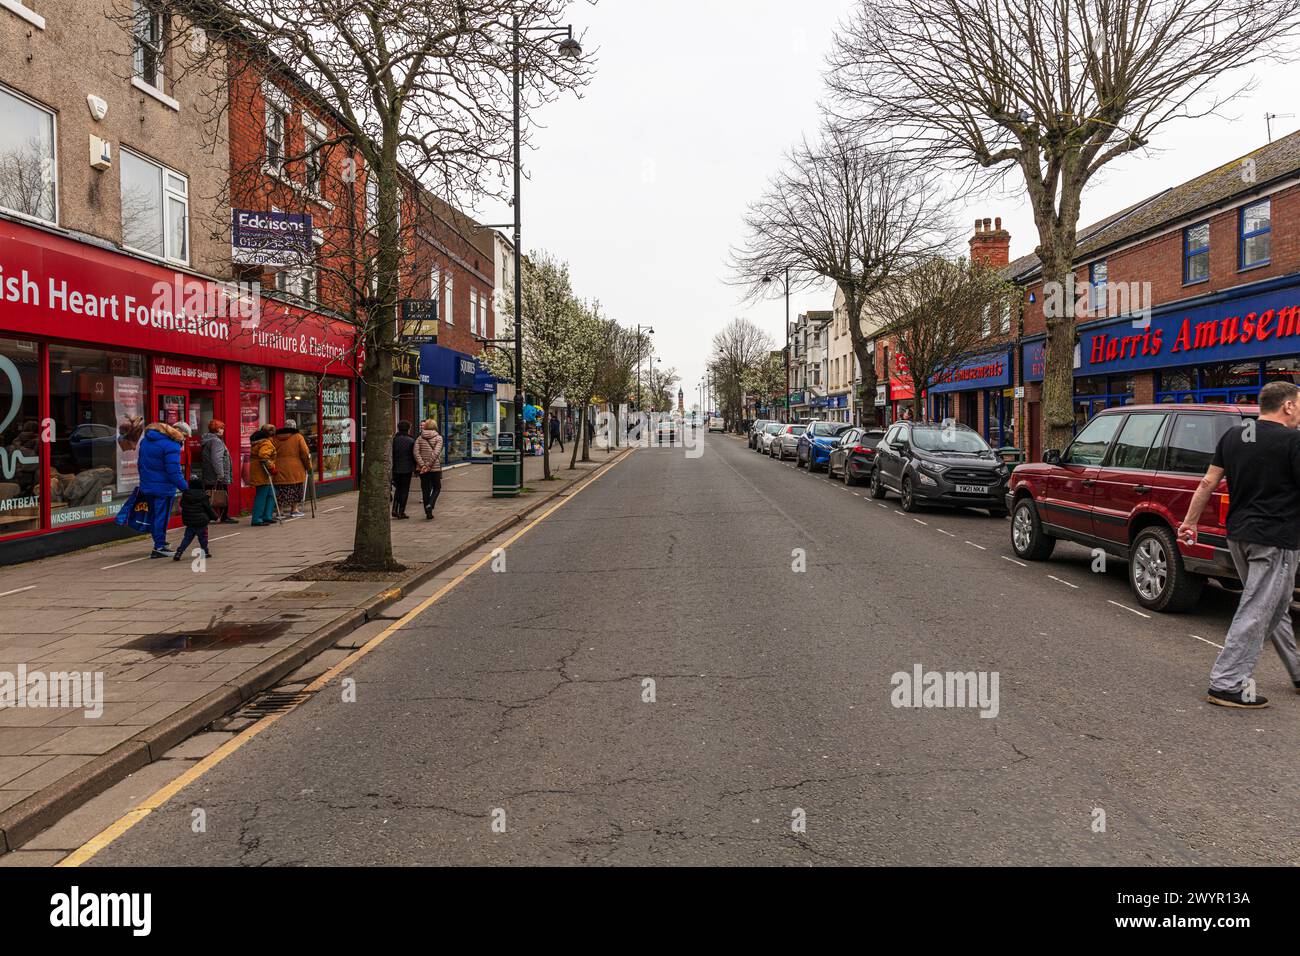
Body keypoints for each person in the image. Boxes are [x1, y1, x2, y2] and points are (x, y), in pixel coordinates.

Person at [1179, 380, 1300, 709]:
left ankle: (1297, 670)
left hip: (1239, 537)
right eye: (1299, 404)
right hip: (1275, 541)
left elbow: (1207, 482)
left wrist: (1189, 523)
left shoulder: (1234, 435)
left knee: (1273, 604)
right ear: (1287, 406)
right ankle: (1226, 682)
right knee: (1258, 608)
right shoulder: (1293, 441)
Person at [136, 422, 189, 558]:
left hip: (147, 486)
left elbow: (140, 464)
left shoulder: (145, 441)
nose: (184, 440)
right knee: (162, 517)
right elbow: (174, 471)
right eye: (185, 437)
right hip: (163, 488)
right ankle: (159, 547)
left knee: (154, 515)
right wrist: (186, 489)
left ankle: (160, 542)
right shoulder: (172, 445)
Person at [273, 419, 312, 519]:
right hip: (296, 468)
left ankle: (279, 511)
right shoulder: (298, 437)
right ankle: (294, 510)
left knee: (281, 489)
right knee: (295, 489)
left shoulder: (276, 437)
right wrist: (309, 467)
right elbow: (304, 453)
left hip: (279, 467)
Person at [200, 420, 238, 524]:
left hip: (209, 473)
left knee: (209, 494)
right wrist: (220, 474)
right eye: (221, 428)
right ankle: (223, 516)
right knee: (223, 494)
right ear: (217, 429)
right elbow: (217, 458)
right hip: (216, 474)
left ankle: (210, 516)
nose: (223, 430)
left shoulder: (208, 440)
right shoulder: (216, 441)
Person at [174, 478, 217, 561]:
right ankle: (205, 552)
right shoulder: (203, 495)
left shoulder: (186, 495)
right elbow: (208, 508)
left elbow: (182, 505)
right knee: (203, 538)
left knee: (187, 538)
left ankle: (179, 552)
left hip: (189, 521)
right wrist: (215, 517)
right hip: (201, 522)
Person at [249, 425, 279, 526]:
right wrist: (272, 468)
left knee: (271, 493)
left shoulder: (259, 441)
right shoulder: (266, 443)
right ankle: (257, 519)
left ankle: (267, 516)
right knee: (261, 496)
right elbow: (264, 456)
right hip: (263, 473)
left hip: (259, 472)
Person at [414, 419, 444, 520]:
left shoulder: (419, 438)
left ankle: (428, 513)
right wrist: (428, 465)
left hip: (423, 470)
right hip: (434, 468)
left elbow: (416, 453)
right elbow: (436, 453)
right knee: (437, 487)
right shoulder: (438, 438)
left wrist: (423, 465)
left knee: (425, 490)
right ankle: (430, 504)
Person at [391, 420, 417, 520]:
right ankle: (401, 511)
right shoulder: (411, 441)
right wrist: (415, 468)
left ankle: (394, 508)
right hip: (407, 469)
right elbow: (414, 455)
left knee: (398, 489)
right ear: (408, 429)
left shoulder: (394, 440)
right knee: (404, 490)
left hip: (396, 468)